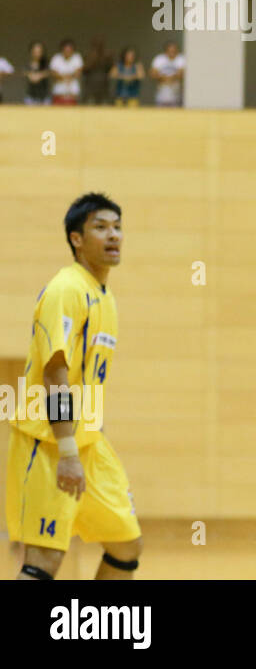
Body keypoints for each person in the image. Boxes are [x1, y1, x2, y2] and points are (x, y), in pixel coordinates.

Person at [7, 193, 143, 580]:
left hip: (89, 443)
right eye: (100, 227)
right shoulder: (66, 290)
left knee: (126, 544)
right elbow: (55, 373)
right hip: (50, 443)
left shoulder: (105, 296)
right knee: (44, 560)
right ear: (76, 239)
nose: (113, 235)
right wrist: (67, 450)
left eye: (117, 227)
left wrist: (90, 431)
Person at [49, 39, 83, 107]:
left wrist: (63, 76)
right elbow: (53, 73)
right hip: (59, 94)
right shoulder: (56, 58)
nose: (68, 52)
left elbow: (78, 72)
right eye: (66, 50)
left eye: (69, 50)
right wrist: (68, 76)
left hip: (72, 95)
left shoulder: (77, 58)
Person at [150, 41, 185, 108]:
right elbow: (153, 73)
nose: (171, 53)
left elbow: (181, 74)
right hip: (161, 93)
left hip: (176, 93)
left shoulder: (181, 59)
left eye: (174, 51)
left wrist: (164, 77)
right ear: (165, 51)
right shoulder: (159, 59)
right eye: (169, 51)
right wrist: (172, 77)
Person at [81, 36, 113, 106]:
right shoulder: (88, 55)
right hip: (90, 86)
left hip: (104, 85)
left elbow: (111, 68)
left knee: (104, 107)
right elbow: (84, 69)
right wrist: (93, 58)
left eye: (100, 43)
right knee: (89, 106)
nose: (98, 45)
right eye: (96, 43)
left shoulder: (107, 55)